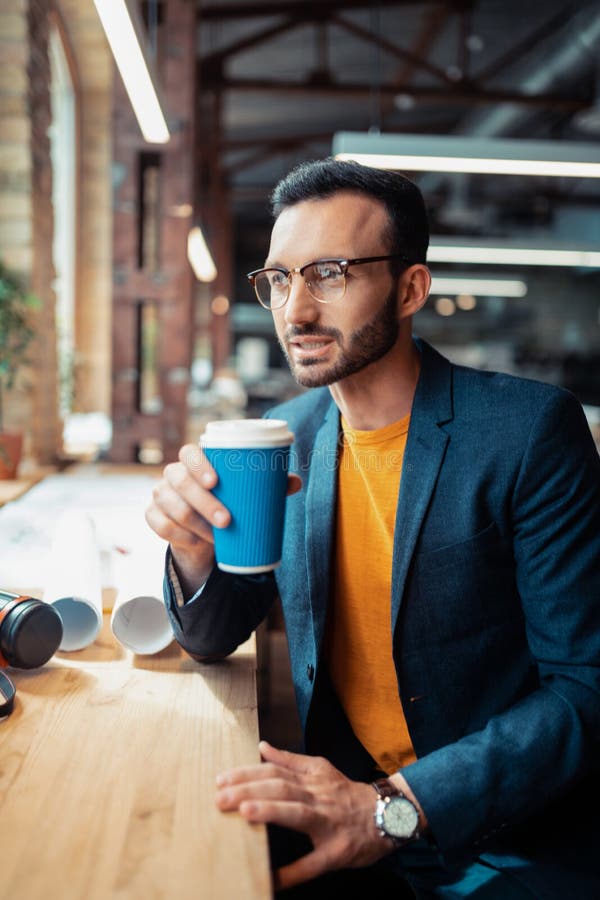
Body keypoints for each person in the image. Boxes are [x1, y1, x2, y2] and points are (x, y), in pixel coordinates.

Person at [145, 158, 600, 899]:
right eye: (279, 279)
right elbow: (214, 633)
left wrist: (399, 806)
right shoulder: (282, 434)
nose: (294, 310)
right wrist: (193, 555)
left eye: (329, 273)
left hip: (509, 833)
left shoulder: (526, 431)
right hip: (351, 808)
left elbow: (586, 686)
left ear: (411, 288)